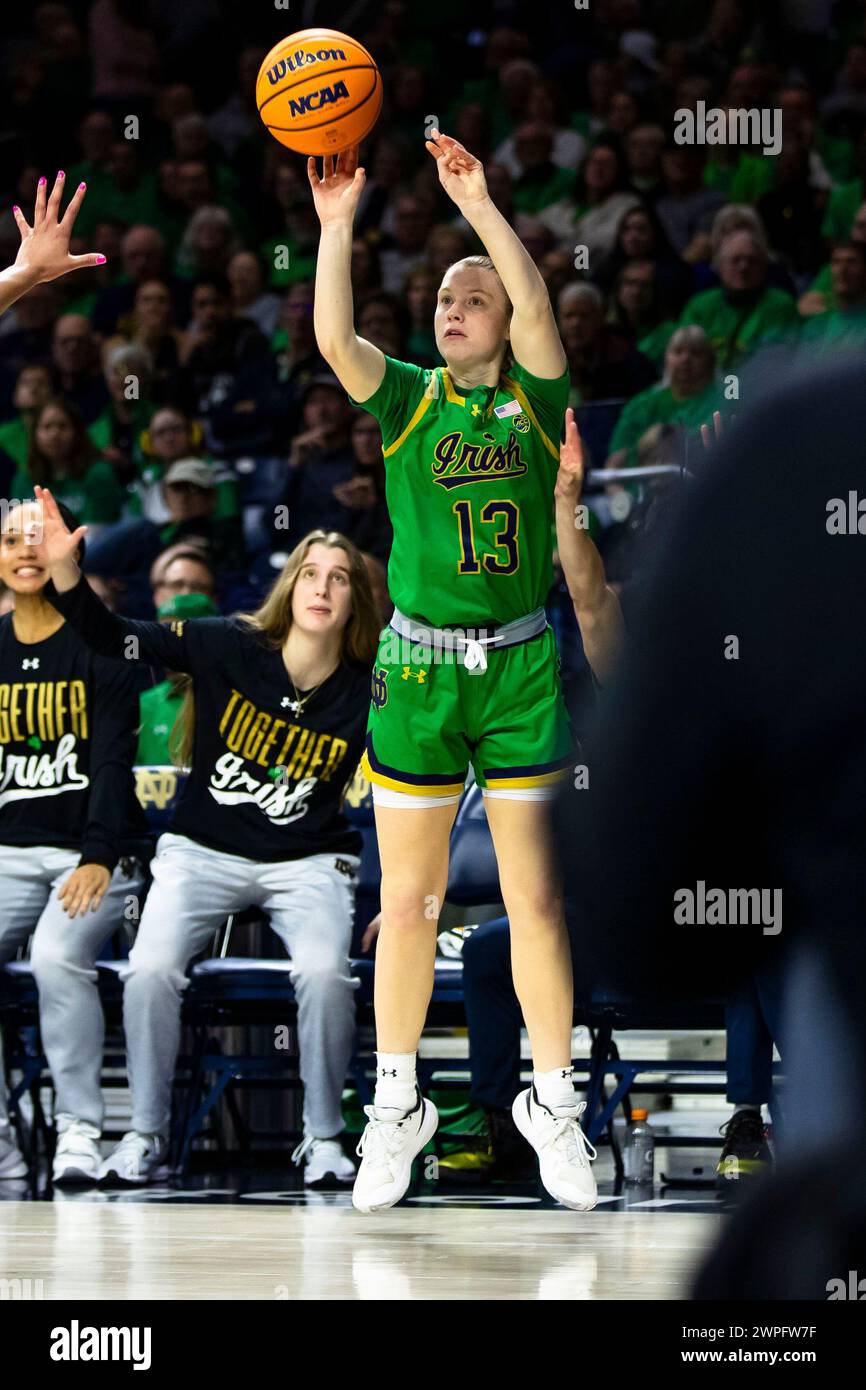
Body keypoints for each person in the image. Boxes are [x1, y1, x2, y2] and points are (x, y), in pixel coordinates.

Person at [308, 133, 598, 1214]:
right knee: (412, 900)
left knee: (534, 900)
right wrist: (337, 226)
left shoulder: (532, 396)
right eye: (438, 294)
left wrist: (478, 211)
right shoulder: (411, 400)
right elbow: (336, 335)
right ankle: (395, 1104)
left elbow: (533, 297)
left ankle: (552, 1101)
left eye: (470, 292)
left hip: (519, 663)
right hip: (419, 672)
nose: (452, 301)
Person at [37, 493, 380, 1188]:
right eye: (310, 573)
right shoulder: (227, 643)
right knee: (151, 970)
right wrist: (68, 575)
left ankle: (323, 1140)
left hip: (309, 860)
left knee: (322, 974)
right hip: (202, 851)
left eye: (339, 577)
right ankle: (145, 1137)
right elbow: (114, 637)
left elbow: (413, 792)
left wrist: (405, 894)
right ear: (290, 588)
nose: (322, 587)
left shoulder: (372, 686)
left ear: (355, 599)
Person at [0, 500, 150, 1185]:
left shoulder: (104, 644)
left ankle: (79, 1130)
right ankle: (4, 1134)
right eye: (11, 539)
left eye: (41, 538)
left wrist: (97, 855)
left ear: (71, 552)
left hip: (93, 852)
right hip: (8, 855)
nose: (26, 551)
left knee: (57, 959)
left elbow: (115, 763)